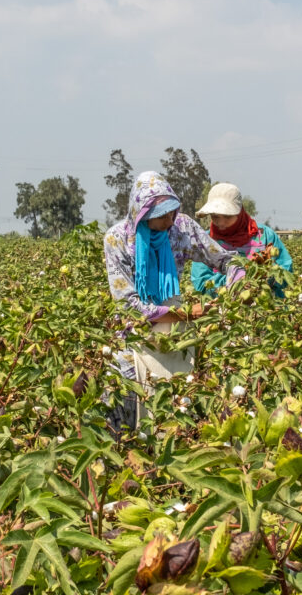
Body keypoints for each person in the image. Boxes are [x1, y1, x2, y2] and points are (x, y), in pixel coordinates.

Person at [103, 172, 243, 431]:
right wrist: (186, 314)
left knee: (180, 401)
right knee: (127, 400)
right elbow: (129, 307)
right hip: (137, 333)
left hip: (176, 334)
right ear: (141, 213)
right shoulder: (118, 239)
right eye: (162, 215)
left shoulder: (182, 229)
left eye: (172, 211)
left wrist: (236, 285)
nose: (170, 219)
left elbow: (225, 260)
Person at [190, 183, 292, 297]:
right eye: (215, 217)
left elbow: (286, 271)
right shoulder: (205, 241)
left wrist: (265, 276)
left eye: (227, 216)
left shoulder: (265, 235)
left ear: (239, 213)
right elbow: (201, 282)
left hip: (267, 307)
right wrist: (234, 279)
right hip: (225, 310)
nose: (221, 223)